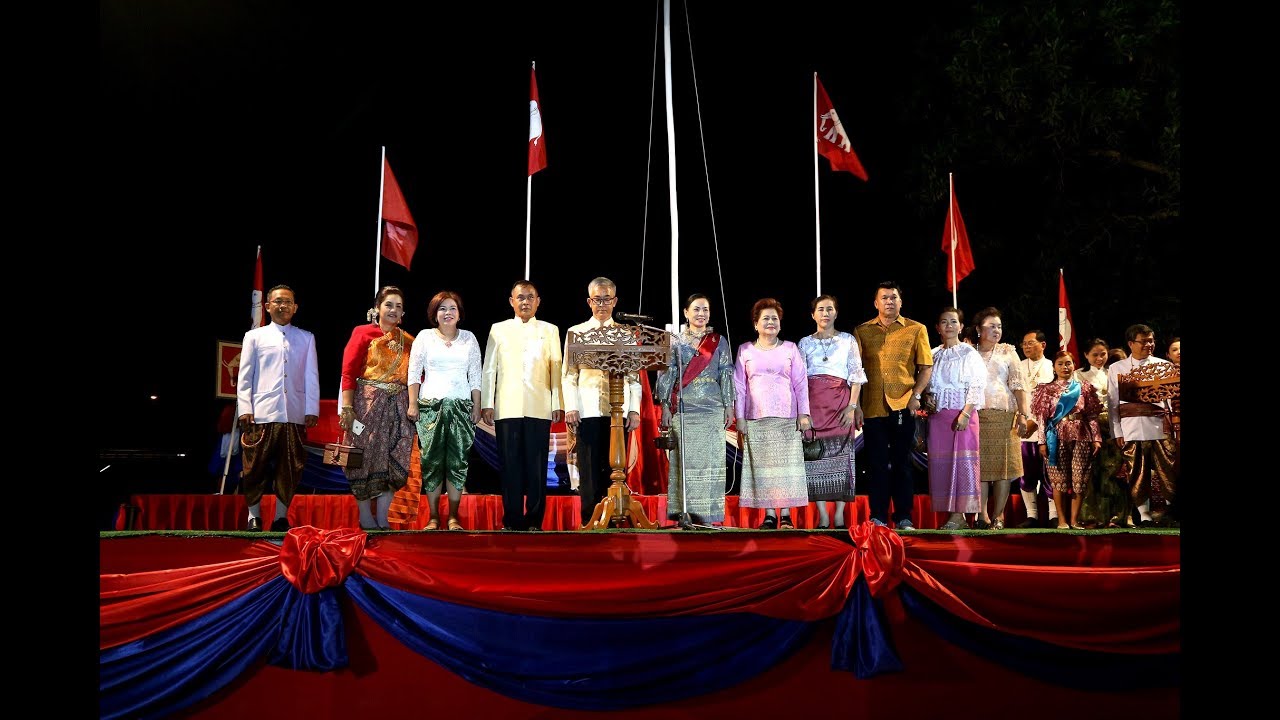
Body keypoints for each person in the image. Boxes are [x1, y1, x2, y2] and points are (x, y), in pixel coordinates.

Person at [236, 285, 320, 532]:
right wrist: (244, 407)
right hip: (260, 413)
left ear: (295, 308)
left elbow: (311, 376)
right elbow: (245, 375)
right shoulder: (254, 337)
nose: (283, 306)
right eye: (278, 301)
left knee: (290, 467)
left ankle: (281, 517)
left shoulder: (306, 338)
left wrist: (311, 408)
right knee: (254, 467)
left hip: (293, 414)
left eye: (288, 302)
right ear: (268, 306)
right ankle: (253, 516)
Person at [481, 281, 564, 531]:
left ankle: (535, 521)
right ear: (511, 301)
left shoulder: (550, 330)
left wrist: (557, 402)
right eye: (520, 298)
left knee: (537, 467)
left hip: (540, 406)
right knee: (510, 466)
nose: (525, 302)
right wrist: (487, 403)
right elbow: (489, 370)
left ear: (538, 301)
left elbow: (556, 369)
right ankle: (513, 521)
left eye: (530, 297)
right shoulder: (498, 330)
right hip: (507, 408)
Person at [562, 277, 643, 528]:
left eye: (607, 299)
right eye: (597, 299)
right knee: (589, 469)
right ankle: (591, 520)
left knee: (615, 471)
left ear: (615, 301)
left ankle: (617, 517)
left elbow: (634, 377)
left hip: (618, 413)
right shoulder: (576, 333)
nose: (602, 304)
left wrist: (634, 410)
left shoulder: (626, 334)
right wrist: (572, 406)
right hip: (587, 409)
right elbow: (569, 375)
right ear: (589, 301)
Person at [853, 281, 933, 530]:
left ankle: (904, 517)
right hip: (872, 405)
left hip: (903, 405)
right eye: (884, 298)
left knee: (902, 462)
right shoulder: (862, 331)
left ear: (901, 301)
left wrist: (916, 395)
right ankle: (877, 516)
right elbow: (855, 371)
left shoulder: (916, 329)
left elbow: (926, 366)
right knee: (876, 464)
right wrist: (855, 405)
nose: (889, 302)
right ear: (876, 303)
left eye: (893, 297)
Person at [338, 286, 416, 531]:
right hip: (367, 406)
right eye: (389, 305)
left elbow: (416, 377)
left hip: (399, 408)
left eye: (399, 306)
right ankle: (365, 518)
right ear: (377, 309)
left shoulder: (410, 341)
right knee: (363, 459)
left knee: (396, 458)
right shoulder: (362, 334)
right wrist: (347, 408)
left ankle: (383, 518)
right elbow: (348, 373)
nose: (393, 310)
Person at [654, 293, 735, 527]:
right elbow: (667, 375)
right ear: (686, 313)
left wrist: (729, 405)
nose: (701, 314)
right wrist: (666, 406)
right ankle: (685, 514)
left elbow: (726, 373)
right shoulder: (675, 341)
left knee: (710, 463)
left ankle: (708, 516)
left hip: (712, 409)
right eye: (697, 309)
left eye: (706, 310)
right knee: (685, 464)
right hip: (684, 409)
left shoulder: (718, 342)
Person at [407, 291, 482, 531]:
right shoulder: (424, 337)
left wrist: (477, 406)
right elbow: (413, 373)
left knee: (457, 462)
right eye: (442, 308)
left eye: (452, 308)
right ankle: (432, 517)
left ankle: (453, 516)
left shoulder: (469, 338)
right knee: (431, 462)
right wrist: (413, 403)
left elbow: (476, 377)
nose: (447, 313)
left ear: (459, 314)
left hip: (461, 407)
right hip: (430, 407)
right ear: (434, 314)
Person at [735, 298, 811, 529]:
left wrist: (804, 413)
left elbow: (800, 382)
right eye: (765, 318)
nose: (770, 322)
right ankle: (769, 515)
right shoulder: (745, 350)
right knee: (764, 468)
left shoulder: (790, 348)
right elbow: (739, 385)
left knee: (787, 467)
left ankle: (786, 515)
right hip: (756, 417)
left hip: (787, 416)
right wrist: (739, 416)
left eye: (774, 318)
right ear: (755, 324)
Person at [797, 294, 866, 529]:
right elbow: (799, 380)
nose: (825, 313)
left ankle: (838, 514)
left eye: (829, 309)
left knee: (841, 457)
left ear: (836, 313)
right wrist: (803, 412)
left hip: (841, 405)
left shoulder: (847, 340)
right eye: (820, 309)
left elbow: (856, 374)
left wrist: (852, 406)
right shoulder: (804, 343)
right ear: (813, 315)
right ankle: (822, 516)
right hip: (813, 405)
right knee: (814, 457)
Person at [970, 307, 1033, 530]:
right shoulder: (969, 352)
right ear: (978, 329)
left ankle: (999, 517)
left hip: (1004, 416)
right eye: (991, 326)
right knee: (981, 468)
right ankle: (981, 516)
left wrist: (1023, 415)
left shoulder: (1008, 351)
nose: (997, 330)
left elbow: (1018, 385)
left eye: (999, 326)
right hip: (975, 416)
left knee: (1003, 469)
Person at [1108, 324, 1176, 526]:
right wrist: (1116, 430)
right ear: (1131, 344)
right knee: (1137, 469)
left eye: (1151, 340)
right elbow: (1112, 402)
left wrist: (1171, 425)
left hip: (1159, 425)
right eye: (1143, 341)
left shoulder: (1164, 365)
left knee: (1168, 469)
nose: (1149, 344)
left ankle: (1170, 512)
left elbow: (1170, 400)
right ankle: (1144, 515)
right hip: (1131, 426)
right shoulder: (1116, 368)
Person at [926, 308, 986, 530]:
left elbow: (977, 384)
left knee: (961, 464)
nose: (949, 325)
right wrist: (927, 399)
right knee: (941, 464)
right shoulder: (932, 354)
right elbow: (927, 384)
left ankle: (959, 514)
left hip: (962, 415)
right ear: (938, 328)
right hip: (938, 418)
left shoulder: (969, 353)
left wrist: (966, 413)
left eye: (954, 321)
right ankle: (949, 515)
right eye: (944, 322)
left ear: (961, 327)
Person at [1031, 350, 1104, 528]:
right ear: (1054, 367)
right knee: (1059, 480)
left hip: (1082, 435)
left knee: (1080, 479)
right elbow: (1042, 419)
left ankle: (1074, 520)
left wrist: (1097, 438)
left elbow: (1092, 416)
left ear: (1074, 365)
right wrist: (1041, 442)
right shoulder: (1046, 389)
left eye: (1069, 363)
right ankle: (1062, 520)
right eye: (1061, 364)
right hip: (1055, 437)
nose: (1065, 367)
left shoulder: (1084, 387)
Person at [1073, 338, 1125, 528]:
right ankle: (1090, 518)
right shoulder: (1078, 375)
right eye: (1094, 354)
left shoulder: (1113, 373)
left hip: (1112, 425)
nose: (1099, 358)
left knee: (1111, 470)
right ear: (1086, 355)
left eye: (1103, 354)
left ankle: (1114, 517)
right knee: (1089, 472)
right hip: (1087, 427)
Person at [1016, 329, 1056, 528]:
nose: (1026, 347)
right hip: (1023, 429)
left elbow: (1056, 400)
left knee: (1051, 473)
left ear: (1043, 345)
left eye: (1031, 343)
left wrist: (1037, 422)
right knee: (1026, 473)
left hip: (1047, 429)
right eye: (1024, 343)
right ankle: (1031, 515)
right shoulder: (1017, 366)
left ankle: (1054, 515)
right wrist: (1023, 420)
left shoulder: (1052, 366)